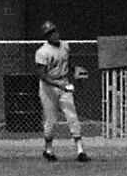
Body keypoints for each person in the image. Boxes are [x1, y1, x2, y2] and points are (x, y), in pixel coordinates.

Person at [32, 21, 91, 163]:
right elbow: (42, 75)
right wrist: (59, 86)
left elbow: (67, 62)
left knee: (72, 117)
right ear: (46, 36)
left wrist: (75, 69)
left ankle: (80, 151)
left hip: (64, 82)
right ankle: (48, 150)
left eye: (55, 31)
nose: (54, 34)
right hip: (49, 87)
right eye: (50, 33)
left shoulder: (65, 45)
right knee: (50, 119)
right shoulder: (42, 52)